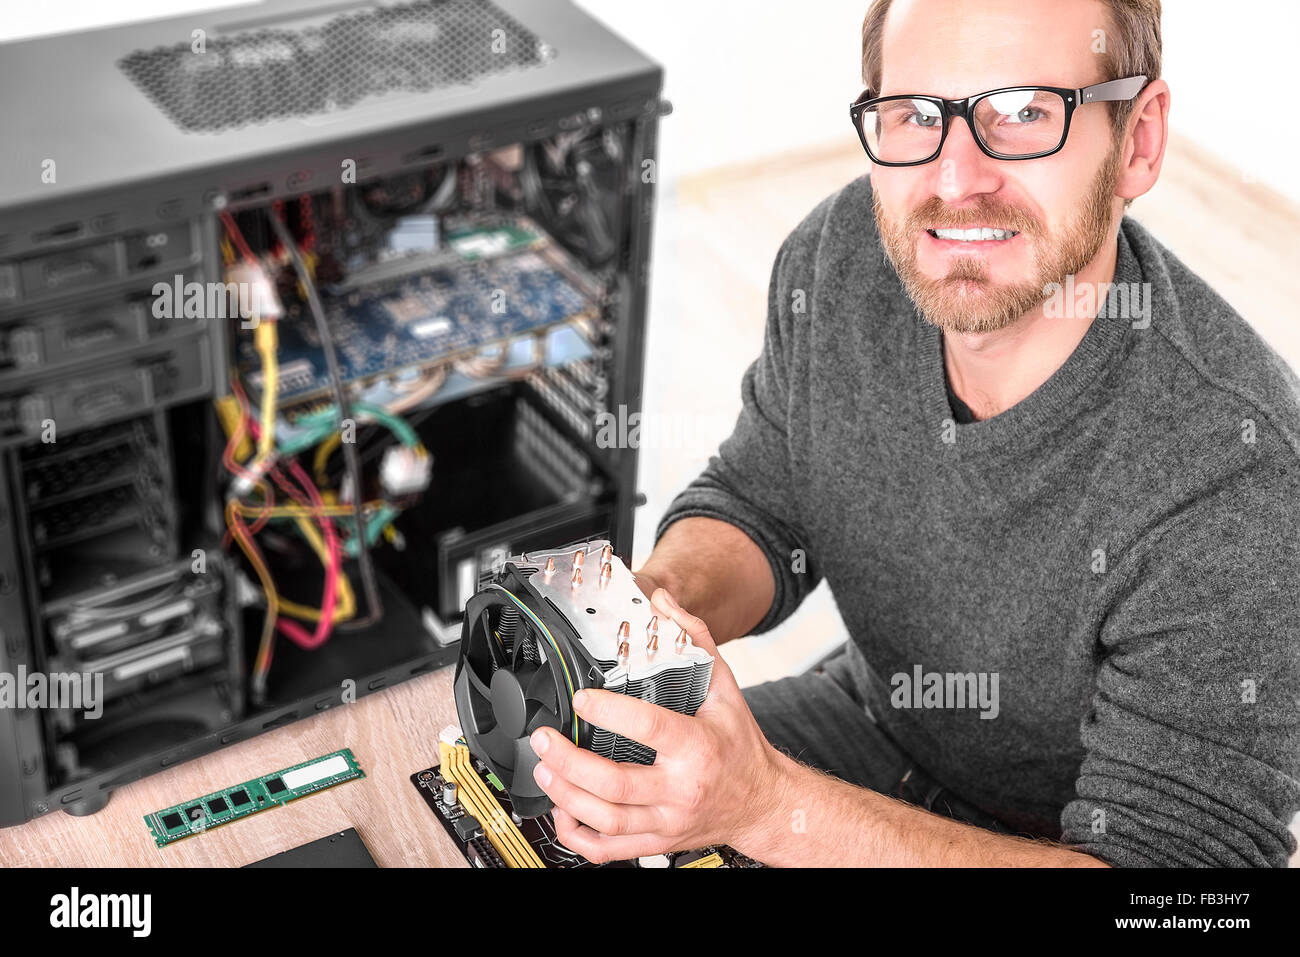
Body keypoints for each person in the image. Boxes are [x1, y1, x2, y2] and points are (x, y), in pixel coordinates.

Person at [527, 0, 1300, 867]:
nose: (954, 178)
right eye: (915, 116)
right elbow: (759, 499)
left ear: (1140, 140)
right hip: (866, 722)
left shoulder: (1241, 478)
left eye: (1023, 113)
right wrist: (656, 613)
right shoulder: (841, 255)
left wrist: (768, 808)